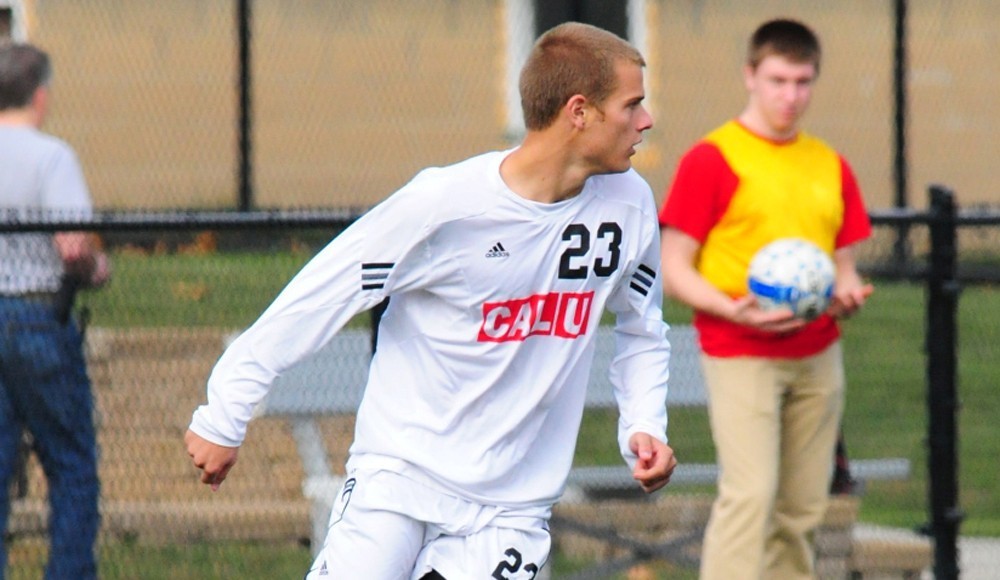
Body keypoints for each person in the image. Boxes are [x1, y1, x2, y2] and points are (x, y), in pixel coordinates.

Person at [185, 22, 677, 579]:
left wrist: (644, 423)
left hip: (511, 509)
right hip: (400, 478)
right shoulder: (446, 204)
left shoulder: (628, 205)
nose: (646, 119)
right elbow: (321, 292)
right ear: (579, 111)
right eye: (632, 104)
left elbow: (642, 329)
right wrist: (227, 410)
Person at [658, 19, 873, 580]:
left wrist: (847, 293)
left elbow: (843, 266)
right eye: (778, 79)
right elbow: (673, 266)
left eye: (803, 82)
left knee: (803, 507)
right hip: (739, 349)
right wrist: (729, 307)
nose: (790, 95)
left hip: (817, 353)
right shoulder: (712, 159)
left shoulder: (830, 164)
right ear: (750, 75)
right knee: (751, 495)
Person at [0, 42, 110, 579]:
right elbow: (72, 246)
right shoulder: (51, 157)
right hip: (39, 318)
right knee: (69, 466)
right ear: (40, 94)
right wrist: (97, 266)